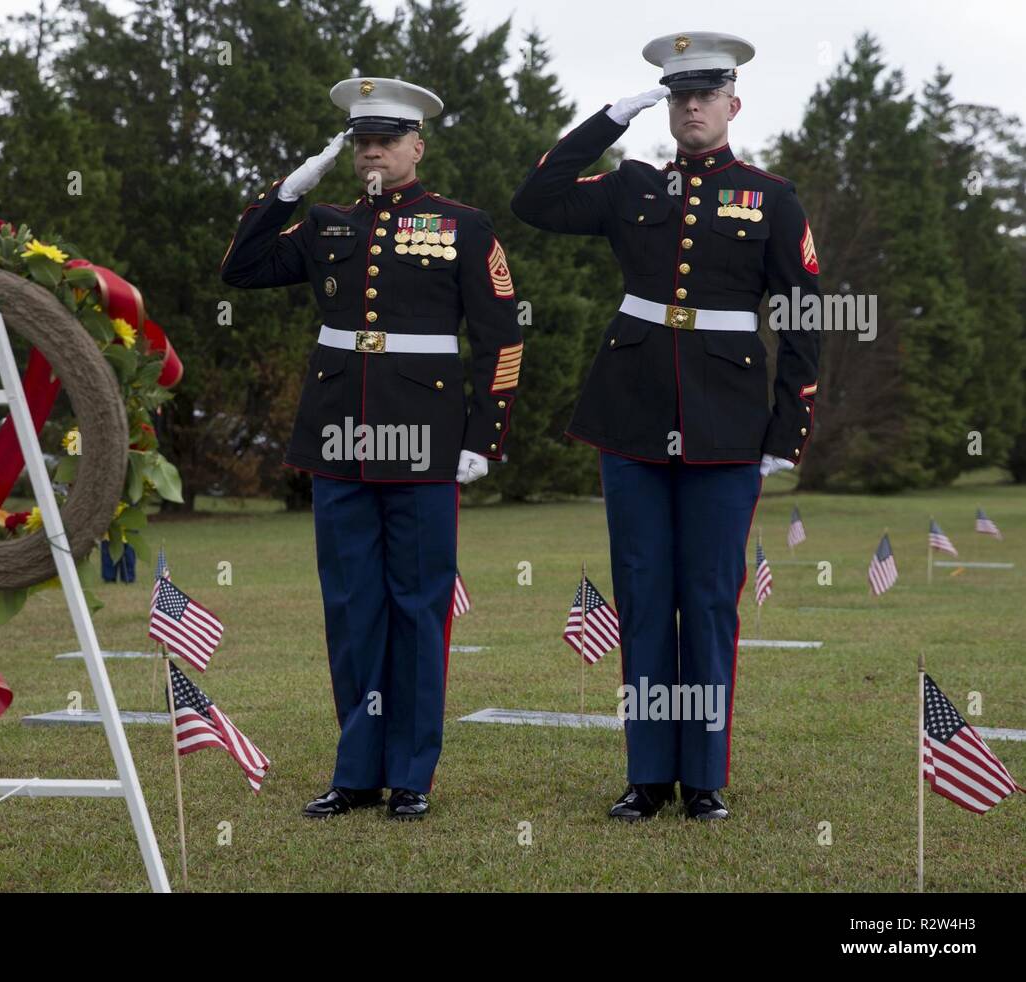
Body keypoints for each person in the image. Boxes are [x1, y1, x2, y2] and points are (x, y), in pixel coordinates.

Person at [512, 32, 820, 821]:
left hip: (728, 422)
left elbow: (802, 317)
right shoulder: (629, 186)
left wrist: (788, 431)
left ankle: (704, 778)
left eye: (705, 94)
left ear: (732, 105)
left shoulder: (771, 197)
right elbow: (535, 202)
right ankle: (648, 775)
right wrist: (609, 119)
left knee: (711, 599)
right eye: (678, 95)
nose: (690, 106)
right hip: (634, 414)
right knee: (644, 598)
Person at [222, 77, 523, 820]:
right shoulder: (325, 225)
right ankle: (356, 770)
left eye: (388, 138)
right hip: (339, 438)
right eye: (362, 141)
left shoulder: (463, 226)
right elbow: (241, 267)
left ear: (418, 145)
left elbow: (501, 335)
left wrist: (484, 434)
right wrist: (293, 188)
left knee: (418, 608)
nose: (373, 151)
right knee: (352, 607)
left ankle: (412, 774)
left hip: (425, 441)